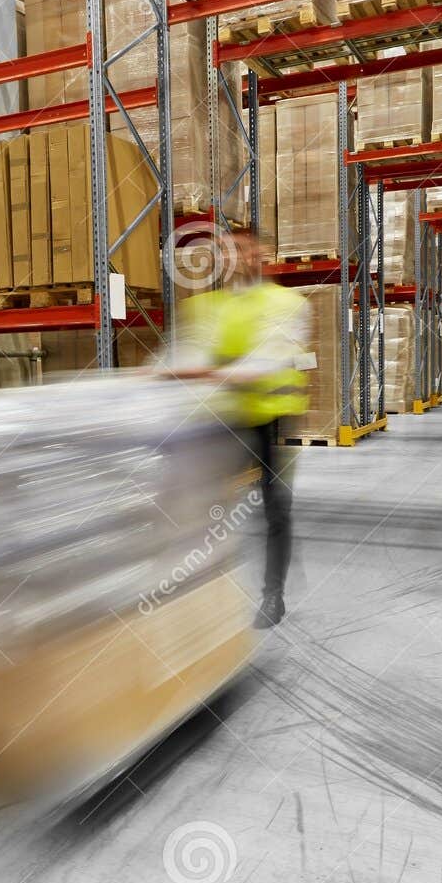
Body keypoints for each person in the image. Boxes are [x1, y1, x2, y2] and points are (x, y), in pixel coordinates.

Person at [167, 227, 312, 629]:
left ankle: (273, 595)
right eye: (230, 251)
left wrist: (207, 372)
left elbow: (270, 357)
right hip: (223, 420)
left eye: (246, 250)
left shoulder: (288, 303)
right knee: (210, 510)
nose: (239, 258)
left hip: (273, 418)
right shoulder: (207, 306)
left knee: (274, 508)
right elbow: (188, 349)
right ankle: (206, 592)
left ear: (261, 254)